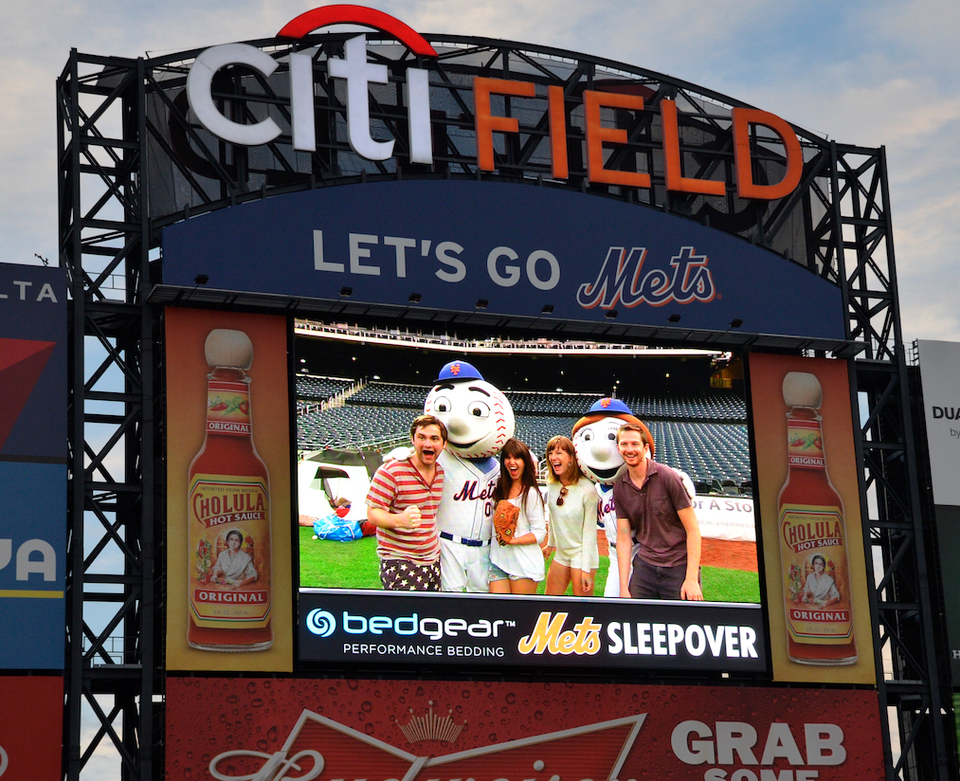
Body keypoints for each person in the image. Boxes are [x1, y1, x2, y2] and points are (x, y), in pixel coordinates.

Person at [423, 360, 515, 592]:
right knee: (449, 603)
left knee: (481, 605)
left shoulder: (501, 468)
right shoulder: (440, 459)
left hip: (484, 548)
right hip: (448, 543)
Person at [615, 423, 703, 601]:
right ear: (618, 448)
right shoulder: (620, 487)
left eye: (634, 444)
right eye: (624, 444)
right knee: (637, 623)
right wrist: (623, 586)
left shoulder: (667, 477)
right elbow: (624, 538)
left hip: (678, 566)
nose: (629, 449)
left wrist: (691, 579)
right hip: (645, 567)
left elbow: (692, 529)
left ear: (645, 447)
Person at [365, 415, 447, 591]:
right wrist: (400, 520)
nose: (428, 444)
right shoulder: (392, 471)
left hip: (432, 560)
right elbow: (373, 514)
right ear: (412, 439)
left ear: (443, 444)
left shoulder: (440, 472)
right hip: (400, 562)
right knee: (408, 616)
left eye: (434, 438)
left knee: (430, 616)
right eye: (422, 437)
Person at [488, 438, 547, 595]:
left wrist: (511, 540)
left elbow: (540, 533)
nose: (512, 462)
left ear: (525, 462)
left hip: (523, 564)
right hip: (498, 561)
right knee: (498, 616)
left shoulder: (531, 493)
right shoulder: (498, 488)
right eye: (508, 457)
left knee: (520, 616)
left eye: (517, 457)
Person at [544, 435, 599, 596]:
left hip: (581, 554)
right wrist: (551, 543)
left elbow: (590, 532)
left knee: (581, 608)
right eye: (551, 452)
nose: (553, 457)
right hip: (562, 553)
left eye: (559, 453)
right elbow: (553, 516)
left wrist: (586, 569)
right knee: (549, 601)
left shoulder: (587, 490)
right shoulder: (552, 483)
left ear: (571, 458)